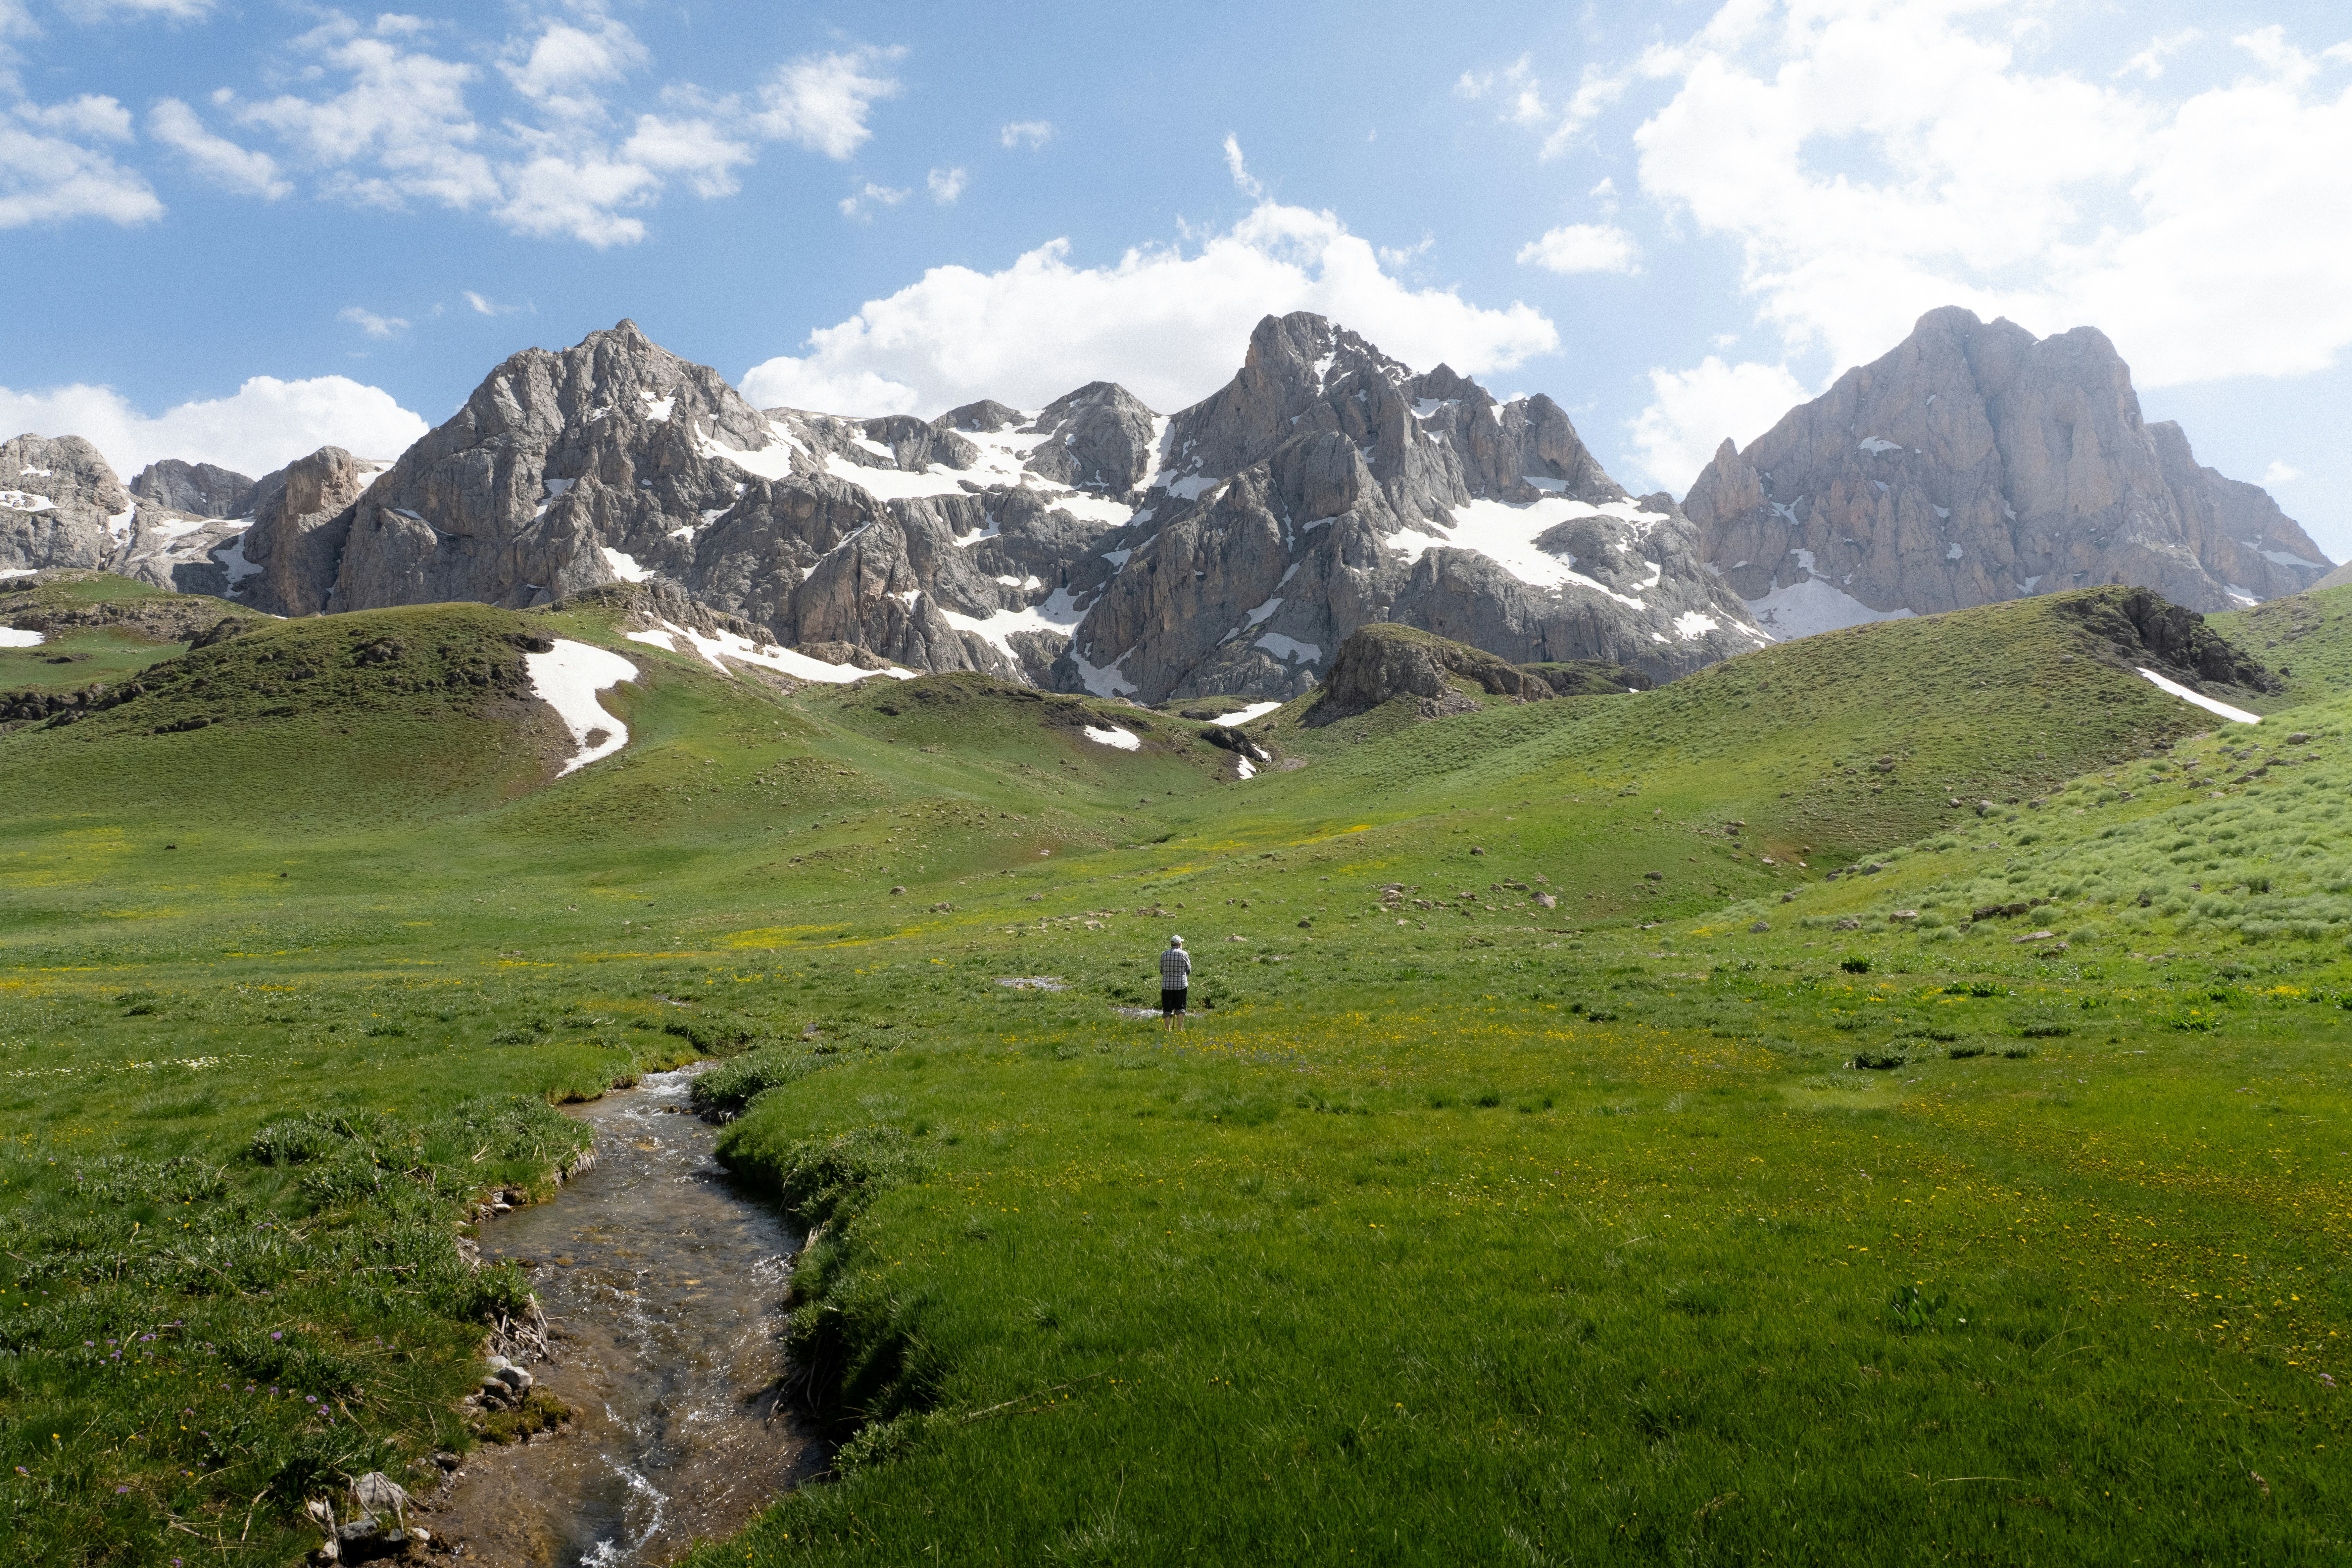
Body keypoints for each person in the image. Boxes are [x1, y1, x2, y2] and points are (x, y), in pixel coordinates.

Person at [1158, 935, 1191, 1030]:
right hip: (1181, 985)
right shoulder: (1184, 954)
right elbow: (1188, 970)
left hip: (1167, 985)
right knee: (1181, 1007)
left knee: (1167, 1008)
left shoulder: (1164, 954)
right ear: (1180, 944)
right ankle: (1180, 1029)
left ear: (1171, 944)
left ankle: (1167, 1029)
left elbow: (1161, 970)